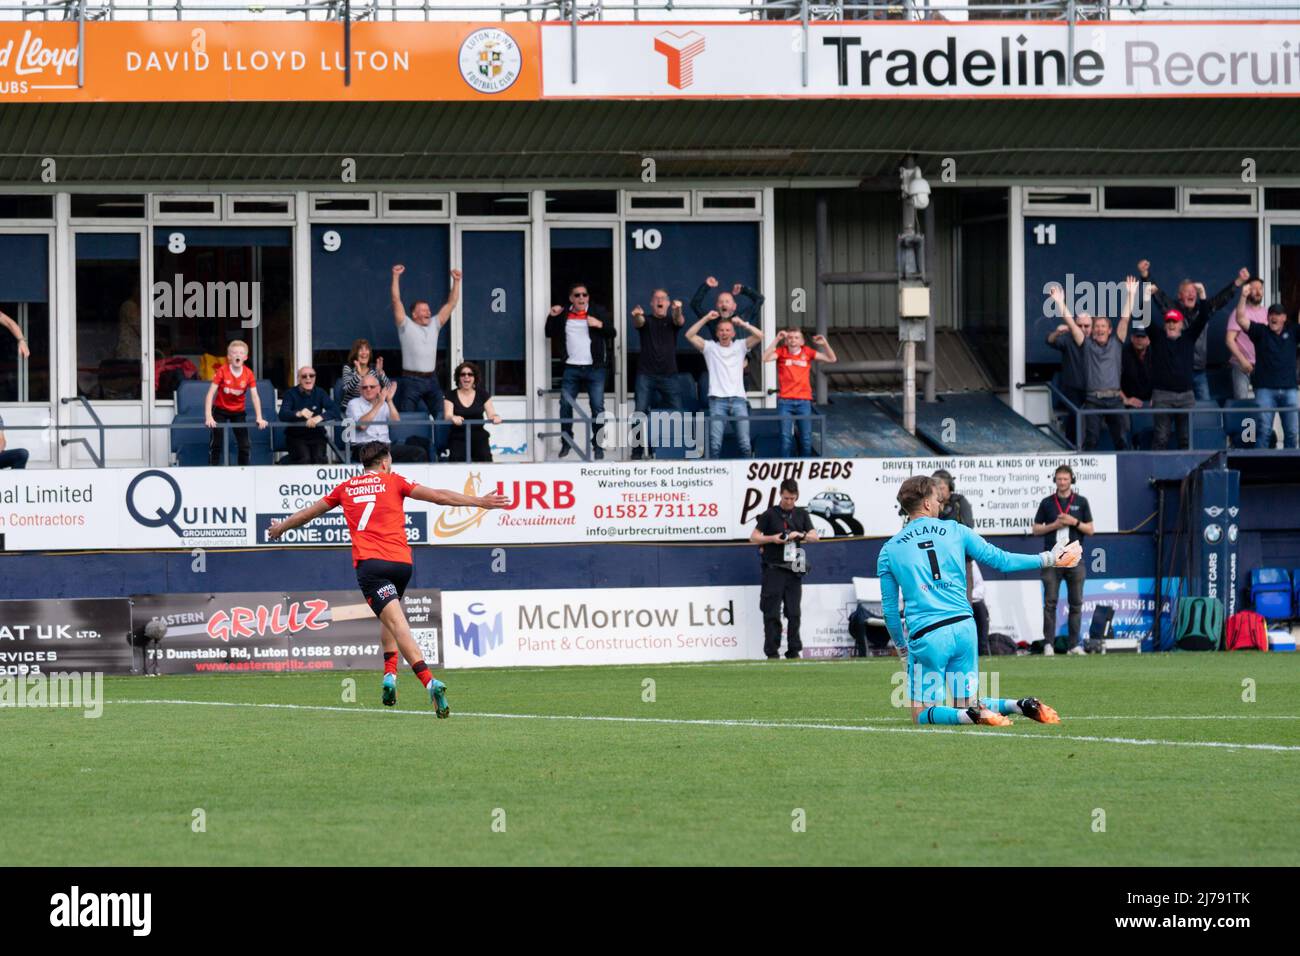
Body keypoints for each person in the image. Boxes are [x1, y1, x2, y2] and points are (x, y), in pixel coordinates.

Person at [268, 441, 509, 712]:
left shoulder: (345, 488)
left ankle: (430, 682)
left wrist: (281, 529)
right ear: (384, 462)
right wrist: (479, 502)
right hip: (401, 565)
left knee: (396, 621)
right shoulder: (394, 481)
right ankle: (390, 676)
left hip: (371, 566)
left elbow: (307, 514)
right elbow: (439, 496)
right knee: (389, 617)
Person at [878, 475, 1073, 727]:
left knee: (921, 714)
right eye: (937, 500)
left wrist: (903, 649)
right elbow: (1001, 560)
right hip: (964, 627)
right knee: (966, 700)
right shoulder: (956, 530)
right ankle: (1017, 704)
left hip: (928, 635)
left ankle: (972, 715)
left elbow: (890, 610)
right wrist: (1048, 558)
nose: (940, 505)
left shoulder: (889, 549)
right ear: (926, 504)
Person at [1137, 260, 1248, 450]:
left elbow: (1215, 304)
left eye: (1193, 292)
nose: (1172, 324)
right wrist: (1146, 279)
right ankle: (1159, 477)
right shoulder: (1166, 322)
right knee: (1161, 437)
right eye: (1186, 292)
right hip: (1166, 391)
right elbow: (1158, 299)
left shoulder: (1192, 329)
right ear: (1179, 296)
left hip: (1195, 377)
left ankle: (1206, 457)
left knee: (1192, 431)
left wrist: (1236, 283)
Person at [1050, 279, 1133, 450]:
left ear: (1110, 330)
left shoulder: (1116, 343)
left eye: (1104, 326)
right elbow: (1072, 325)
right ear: (1093, 331)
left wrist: (1131, 294)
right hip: (1093, 400)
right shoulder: (1087, 345)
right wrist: (1060, 302)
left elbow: (1124, 320)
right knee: (1091, 440)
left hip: (1115, 399)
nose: (1100, 329)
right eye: (1097, 327)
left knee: (1122, 440)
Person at [750, 478, 819, 659]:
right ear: (781, 494)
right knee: (771, 612)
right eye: (786, 498)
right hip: (773, 568)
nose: (789, 501)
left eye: (792, 498)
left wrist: (800, 535)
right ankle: (772, 652)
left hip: (794, 568)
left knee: (794, 612)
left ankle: (794, 650)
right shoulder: (770, 514)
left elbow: (814, 537)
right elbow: (754, 537)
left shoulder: (801, 514)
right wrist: (773, 538)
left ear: (797, 497)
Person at [545, 282, 615, 459]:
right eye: (577, 295)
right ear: (571, 298)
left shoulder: (597, 311)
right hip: (572, 368)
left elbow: (612, 332)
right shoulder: (564, 314)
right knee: (565, 404)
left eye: (584, 295)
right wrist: (552, 316)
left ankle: (598, 445)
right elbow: (548, 332)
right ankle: (567, 441)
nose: (581, 298)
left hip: (595, 368)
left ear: (588, 297)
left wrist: (599, 324)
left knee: (598, 407)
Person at [1031, 465, 1094, 656]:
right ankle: (1048, 644)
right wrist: (1055, 525)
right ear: (1055, 480)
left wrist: (1073, 521)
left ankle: (1073, 645)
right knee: (1050, 602)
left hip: (1074, 558)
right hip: (1052, 557)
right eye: (1059, 479)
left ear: (1071, 480)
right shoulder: (1047, 503)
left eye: (1066, 479)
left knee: (1076, 603)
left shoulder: (1081, 502)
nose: (1062, 482)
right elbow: (1035, 529)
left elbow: (1090, 529)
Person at [686, 310, 764, 458]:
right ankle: (715, 478)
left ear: (733, 333)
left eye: (728, 330)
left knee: (745, 444)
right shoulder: (710, 347)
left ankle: (746, 477)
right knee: (715, 444)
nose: (724, 333)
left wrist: (742, 323)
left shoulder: (740, 346)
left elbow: (760, 335)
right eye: (721, 330)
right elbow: (689, 335)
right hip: (717, 401)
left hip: (738, 400)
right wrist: (706, 317)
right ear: (717, 333)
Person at [391, 264, 461, 422]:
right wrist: (395, 277)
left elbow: (451, 304)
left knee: (442, 416)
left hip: (432, 379)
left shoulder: (434, 324)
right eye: (423, 310)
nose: (428, 312)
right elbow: (396, 301)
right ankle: (408, 447)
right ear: (414, 314)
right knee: (407, 419)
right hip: (411, 381)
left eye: (429, 310)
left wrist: (456, 281)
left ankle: (439, 447)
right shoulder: (405, 325)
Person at [763, 328, 837, 458]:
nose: (793, 340)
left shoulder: (807, 352)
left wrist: (824, 343)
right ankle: (784, 468)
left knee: (806, 439)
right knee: (785, 439)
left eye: (797, 337)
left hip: (804, 401)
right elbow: (765, 358)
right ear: (786, 341)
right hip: (785, 402)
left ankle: (805, 468)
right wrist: (777, 339)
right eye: (790, 337)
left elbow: (832, 359)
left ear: (802, 341)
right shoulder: (781, 351)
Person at [630, 289, 685, 460]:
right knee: (640, 411)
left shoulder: (672, 320)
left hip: (669, 375)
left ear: (668, 303)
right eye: (657, 299)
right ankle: (637, 451)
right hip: (646, 374)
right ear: (652, 304)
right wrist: (636, 315)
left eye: (663, 299)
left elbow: (679, 320)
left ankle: (679, 448)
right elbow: (639, 322)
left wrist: (677, 309)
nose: (660, 301)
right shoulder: (646, 319)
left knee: (677, 411)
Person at [1236, 303, 1298, 449]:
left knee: (1292, 433)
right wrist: (1243, 296)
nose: (1273, 317)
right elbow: (1240, 319)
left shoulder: (1293, 331)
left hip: (1289, 390)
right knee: (1263, 432)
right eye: (1271, 314)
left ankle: (1291, 470)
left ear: (1284, 318)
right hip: (1265, 390)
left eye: (1277, 314)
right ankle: (1259, 469)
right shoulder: (1261, 332)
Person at [204, 340, 267, 466]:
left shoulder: (248, 373)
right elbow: (210, 394)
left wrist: (259, 417)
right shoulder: (222, 370)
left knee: (244, 444)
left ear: (245, 357)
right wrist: (209, 417)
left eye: (241, 353)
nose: (237, 355)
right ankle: (212, 469)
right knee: (216, 442)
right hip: (220, 409)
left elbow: (255, 396)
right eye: (234, 353)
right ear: (229, 357)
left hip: (238, 411)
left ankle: (243, 470)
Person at [345, 374, 425, 463]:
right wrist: (379, 403)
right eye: (364, 387)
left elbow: (396, 422)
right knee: (381, 457)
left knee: (418, 453)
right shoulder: (353, 404)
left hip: (385, 447)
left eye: (372, 387)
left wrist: (389, 400)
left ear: (379, 388)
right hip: (364, 448)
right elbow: (362, 426)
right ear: (360, 390)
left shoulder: (384, 403)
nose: (368, 389)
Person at [278, 366, 339, 464]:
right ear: (298, 378)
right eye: (304, 376)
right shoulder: (290, 393)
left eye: (311, 375)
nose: (308, 378)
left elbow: (335, 410)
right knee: (305, 459)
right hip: (296, 436)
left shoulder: (320, 392)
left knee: (319, 459)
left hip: (317, 435)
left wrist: (320, 417)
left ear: (315, 377)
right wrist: (299, 413)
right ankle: (285, 463)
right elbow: (282, 414)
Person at [444, 361, 502, 463]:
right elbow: (447, 415)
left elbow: (491, 414)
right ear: (458, 378)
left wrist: (495, 416)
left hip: (478, 435)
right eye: (463, 374)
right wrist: (453, 417)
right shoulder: (450, 395)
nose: (466, 377)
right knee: (456, 462)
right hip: (458, 436)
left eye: (470, 374)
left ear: (475, 378)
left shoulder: (483, 394)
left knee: (485, 459)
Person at [1047, 307, 1090, 442]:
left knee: (1092, 421)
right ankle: (1073, 448)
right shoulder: (1068, 339)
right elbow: (1049, 340)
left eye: (1087, 326)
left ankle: (1090, 451)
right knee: (1075, 418)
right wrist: (1057, 332)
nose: (1083, 328)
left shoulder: (1098, 340)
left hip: (1093, 389)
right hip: (1072, 389)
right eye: (1079, 325)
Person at [1226, 276, 1268, 401]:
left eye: (1260, 288)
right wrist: (1243, 360)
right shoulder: (1239, 312)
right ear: (1247, 291)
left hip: (1262, 365)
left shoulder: (1268, 313)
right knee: (1241, 402)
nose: (1258, 292)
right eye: (1254, 289)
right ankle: (1244, 422)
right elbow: (1229, 340)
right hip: (1241, 365)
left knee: (1263, 402)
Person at [340, 338, 390, 402]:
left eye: (366, 349)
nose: (364, 353)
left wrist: (380, 373)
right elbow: (347, 389)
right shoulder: (349, 368)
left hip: (371, 407)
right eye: (360, 350)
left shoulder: (374, 369)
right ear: (355, 353)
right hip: (352, 408)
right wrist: (358, 375)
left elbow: (388, 389)